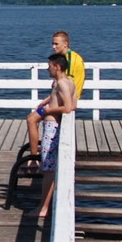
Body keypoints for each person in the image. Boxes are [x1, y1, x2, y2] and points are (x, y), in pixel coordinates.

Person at [30, 52, 79, 218]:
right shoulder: (68, 82)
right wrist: (47, 102)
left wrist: (50, 110)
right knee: (49, 169)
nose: (47, 69)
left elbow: (69, 107)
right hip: (52, 126)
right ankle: (44, 206)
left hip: (52, 128)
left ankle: (43, 208)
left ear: (57, 67)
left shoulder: (63, 84)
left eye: (49, 66)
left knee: (48, 170)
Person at [50, 31, 87, 110]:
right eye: (53, 44)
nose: (53, 47)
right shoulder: (65, 57)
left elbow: (68, 82)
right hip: (64, 97)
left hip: (67, 100)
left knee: (32, 118)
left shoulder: (70, 59)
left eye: (56, 44)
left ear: (65, 44)